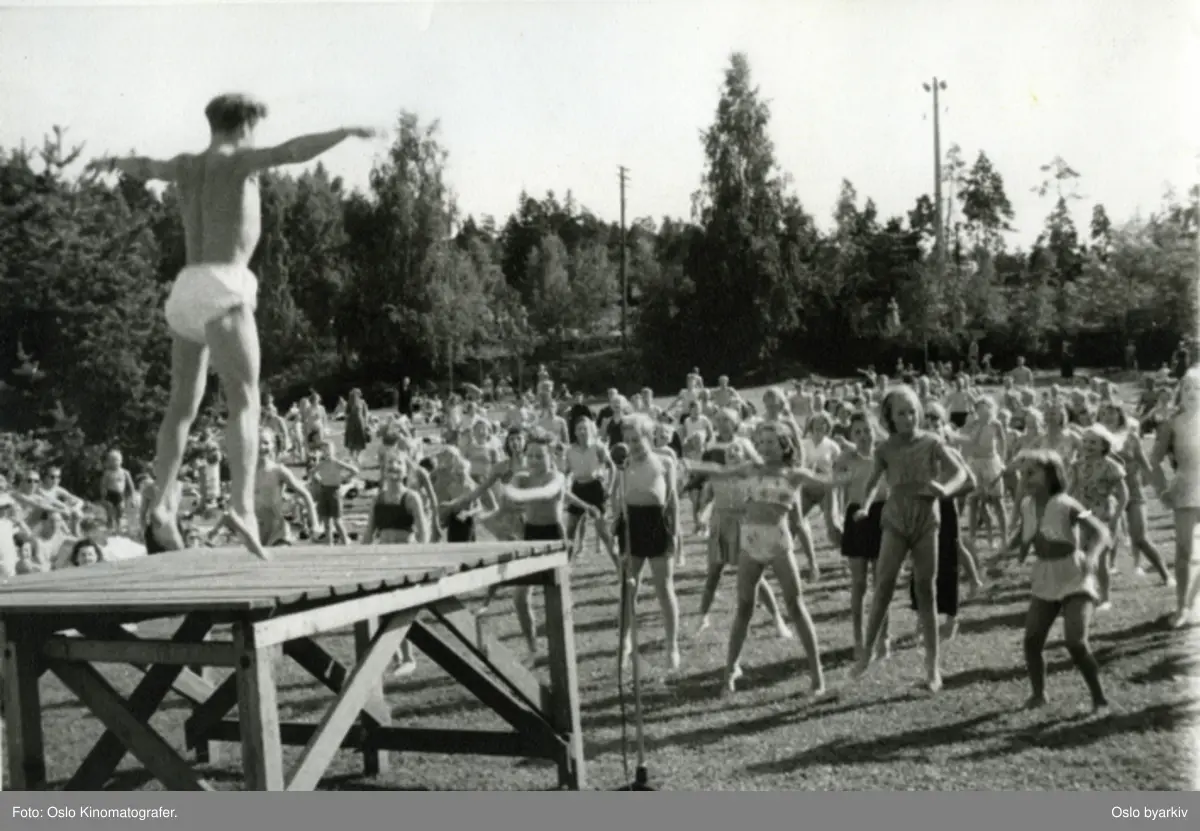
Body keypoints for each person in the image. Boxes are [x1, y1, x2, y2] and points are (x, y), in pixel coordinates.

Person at [86, 93, 380, 558]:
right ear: (245, 125)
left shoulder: (186, 165)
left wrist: (110, 162)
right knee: (245, 401)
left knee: (181, 406)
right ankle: (242, 506)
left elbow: (144, 167)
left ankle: (162, 501)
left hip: (186, 288)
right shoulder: (242, 160)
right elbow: (293, 150)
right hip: (224, 284)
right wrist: (343, 133)